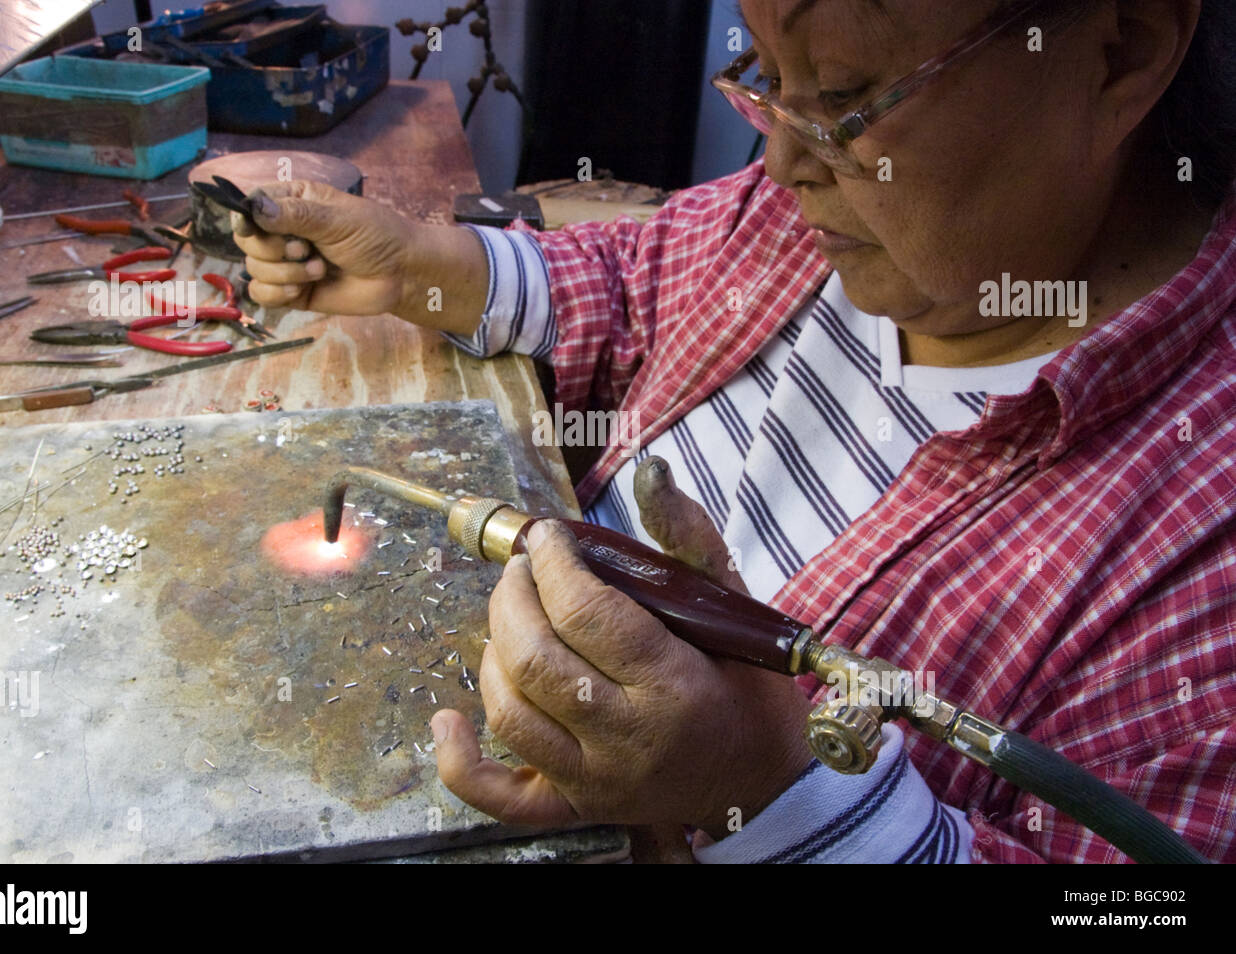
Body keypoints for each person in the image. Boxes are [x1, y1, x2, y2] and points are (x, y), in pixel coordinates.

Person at [233, 0, 1236, 862]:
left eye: (843, 96)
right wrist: (420, 265)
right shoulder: (812, 211)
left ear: (1121, 52)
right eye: (765, 73)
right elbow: (633, 282)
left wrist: (764, 790)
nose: (785, 158)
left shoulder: (1203, 571)